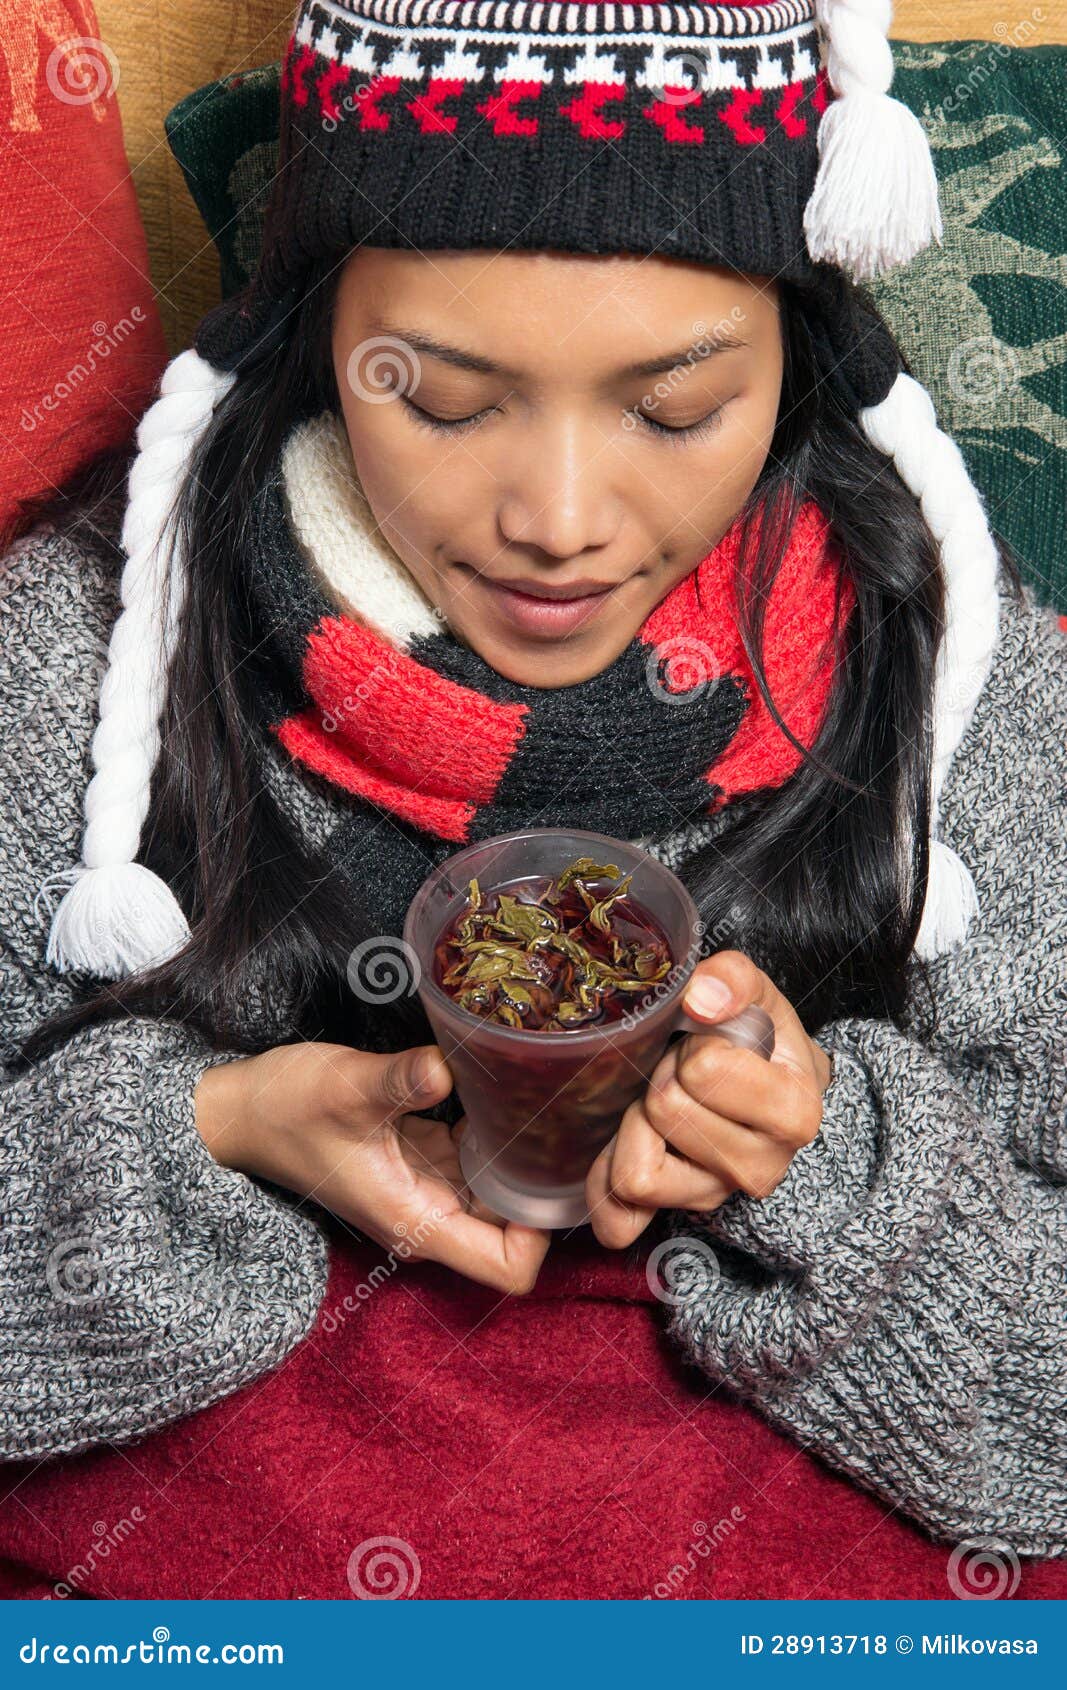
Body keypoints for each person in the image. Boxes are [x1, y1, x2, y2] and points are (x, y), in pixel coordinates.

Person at [1, 0, 1063, 1565]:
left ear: (806, 353)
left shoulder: (962, 676)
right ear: (312, 331)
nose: (558, 519)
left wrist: (832, 1167)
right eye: (436, 397)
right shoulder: (82, 662)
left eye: (676, 407)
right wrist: (206, 1136)